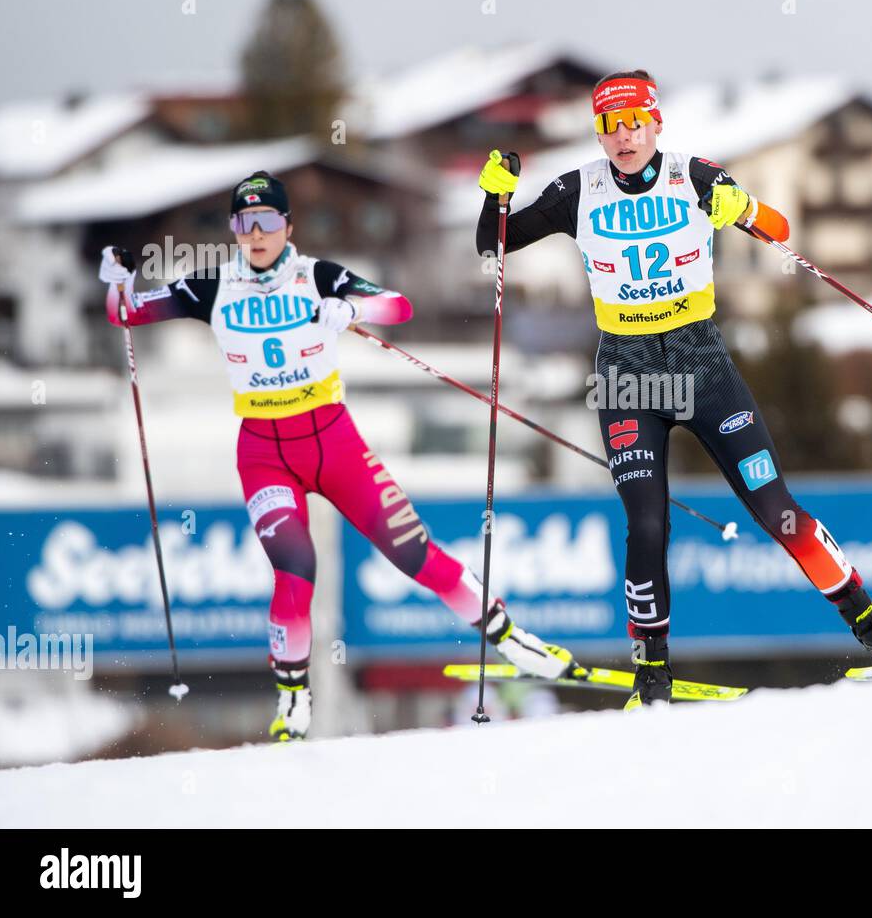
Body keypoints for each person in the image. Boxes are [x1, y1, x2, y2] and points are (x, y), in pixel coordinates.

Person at [475, 72, 872, 710]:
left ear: (656, 123)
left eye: (635, 121)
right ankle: (652, 675)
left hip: (702, 366)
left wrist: (740, 208)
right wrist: (495, 199)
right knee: (646, 525)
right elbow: (491, 242)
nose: (624, 136)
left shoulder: (695, 174)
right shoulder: (576, 188)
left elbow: (778, 227)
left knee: (779, 510)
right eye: (610, 125)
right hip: (628, 377)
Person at [100, 171, 577, 740]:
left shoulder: (315, 275)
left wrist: (351, 311)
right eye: (244, 224)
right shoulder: (210, 285)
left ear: (287, 226)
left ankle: (510, 639)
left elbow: (398, 305)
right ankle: (293, 696)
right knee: (295, 569)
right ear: (232, 230)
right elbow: (127, 313)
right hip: (264, 453)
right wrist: (117, 282)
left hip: (333, 441)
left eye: (268, 221)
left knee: (413, 552)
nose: (256, 234)